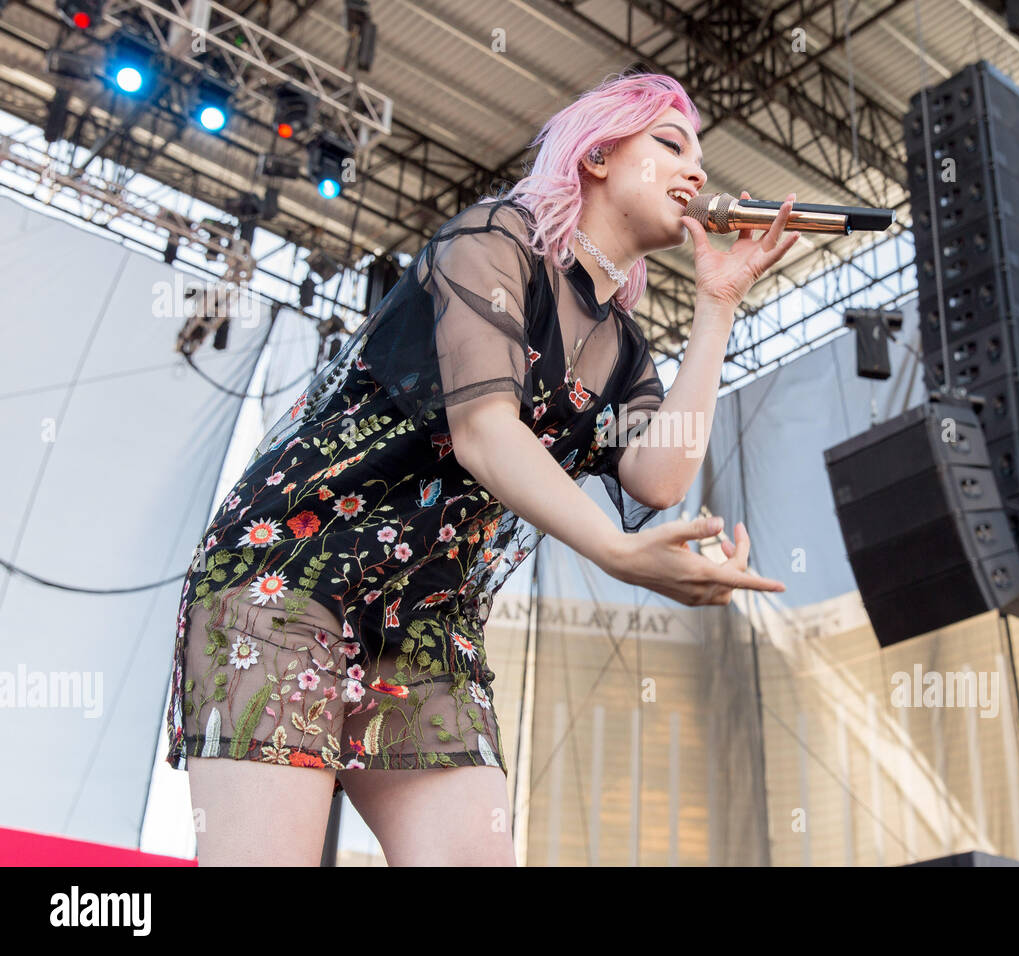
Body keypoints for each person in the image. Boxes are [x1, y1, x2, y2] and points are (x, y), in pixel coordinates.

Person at [164, 70, 801, 866]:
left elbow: (659, 478)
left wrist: (719, 304)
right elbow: (484, 432)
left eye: (699, 157)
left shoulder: (623, 349)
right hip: (292, 572)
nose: (699, 173)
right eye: (671, 144)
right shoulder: (496, 239)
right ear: (598, 154)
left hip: (426, 619)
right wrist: (615, 551)